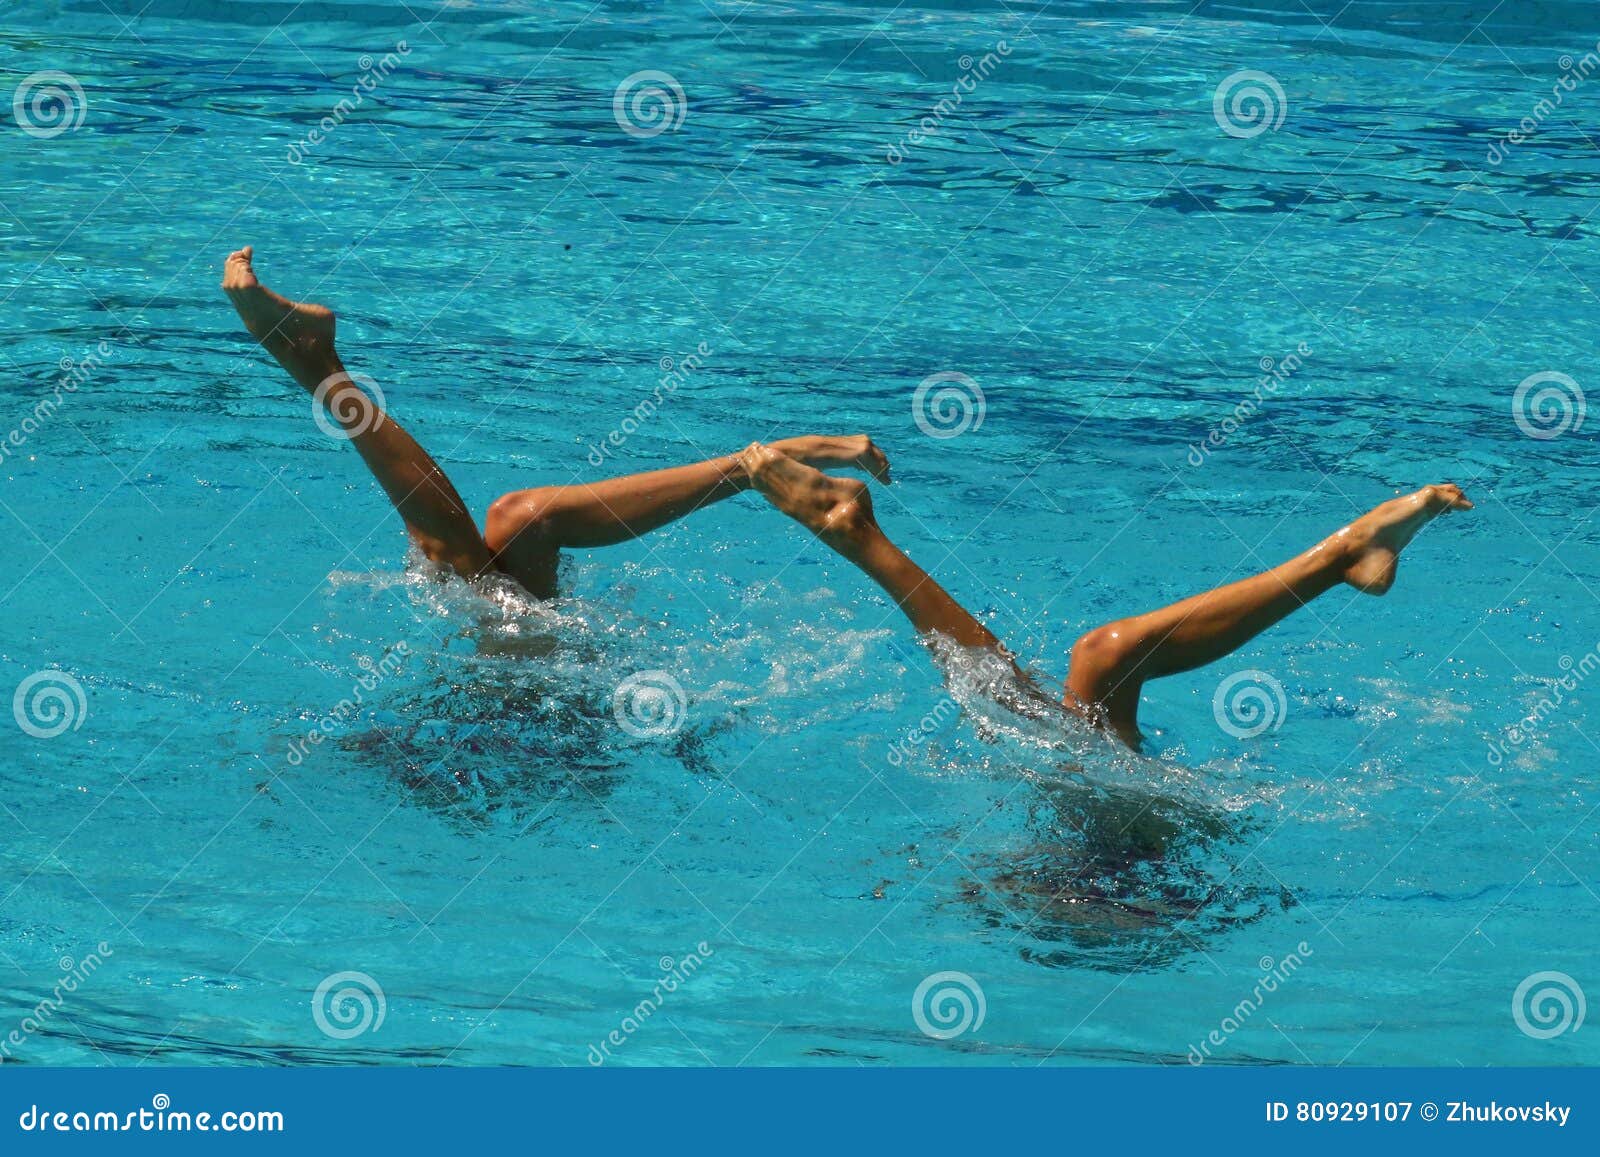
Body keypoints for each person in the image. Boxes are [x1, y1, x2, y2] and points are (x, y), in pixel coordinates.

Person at [222, 247, 1472, 749]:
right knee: (506, 528)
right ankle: (781, 488)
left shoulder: (1094, 860)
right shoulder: (1111, 858)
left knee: (502, 529)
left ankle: (322, 369)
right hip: (557, 707)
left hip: (552, 711)